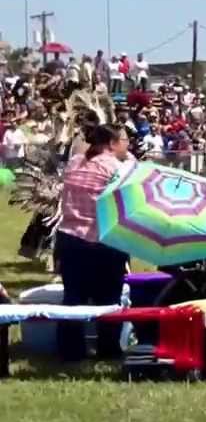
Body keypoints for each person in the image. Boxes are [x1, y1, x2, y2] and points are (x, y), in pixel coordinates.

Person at [55, 124, 133, 362]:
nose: (128, 145)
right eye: (124, 140)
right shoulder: (117, 168)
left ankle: (70, 351)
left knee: (73, 298)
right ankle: (108, 350)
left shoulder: (74, 162)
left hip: (69, 238)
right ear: (112, 143)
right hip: (104, 241)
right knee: (108, 299)